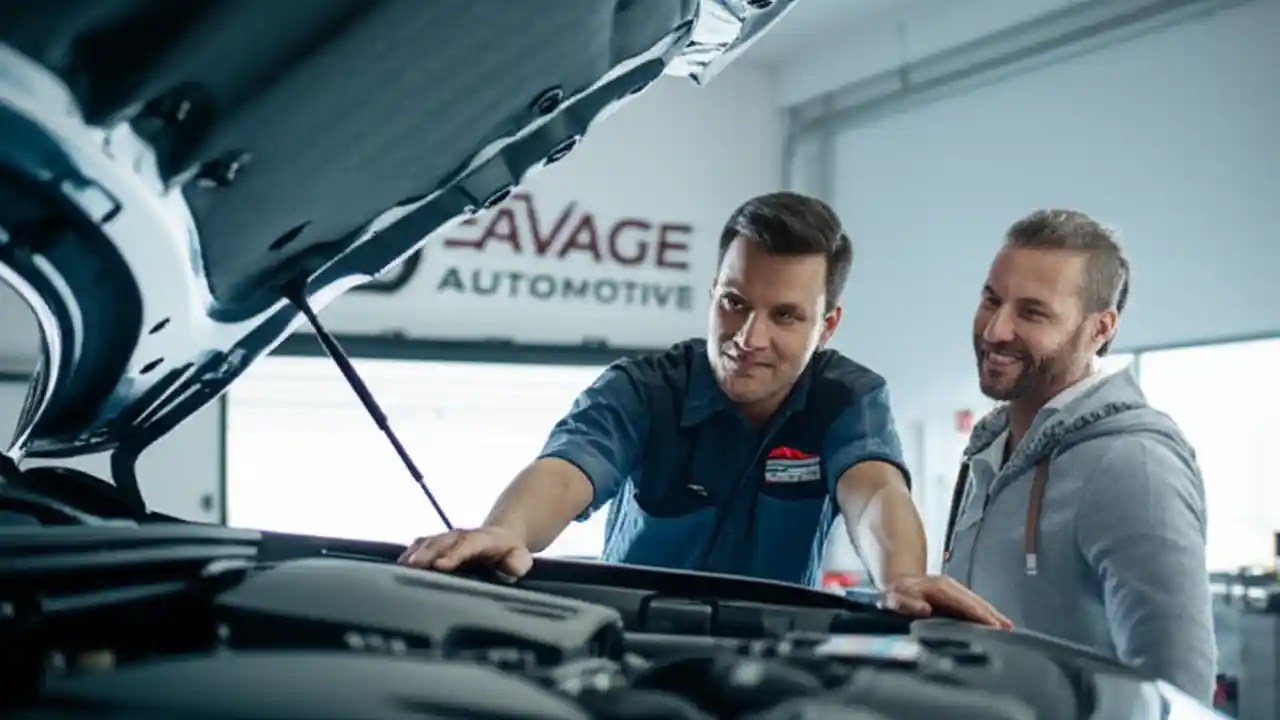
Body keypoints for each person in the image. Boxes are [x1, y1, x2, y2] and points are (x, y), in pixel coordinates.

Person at [401, 191, 1010, 628]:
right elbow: (566, 470)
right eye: (734, 302)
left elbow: (874, 491)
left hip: (769, 657)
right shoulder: (642, 389)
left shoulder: (847, 398)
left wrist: (902, 576)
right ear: (713, 292)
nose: (749, 336)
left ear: (827, 326)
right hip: (624, 642)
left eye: (786, 316)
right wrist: (506, 532)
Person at [941, 208, 1216, 700]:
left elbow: (1178, 689)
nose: (996, 330)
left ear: (1100, 329)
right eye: (991, 299)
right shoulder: (989, 447)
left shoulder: (1134, 465)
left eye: (1032, 312)